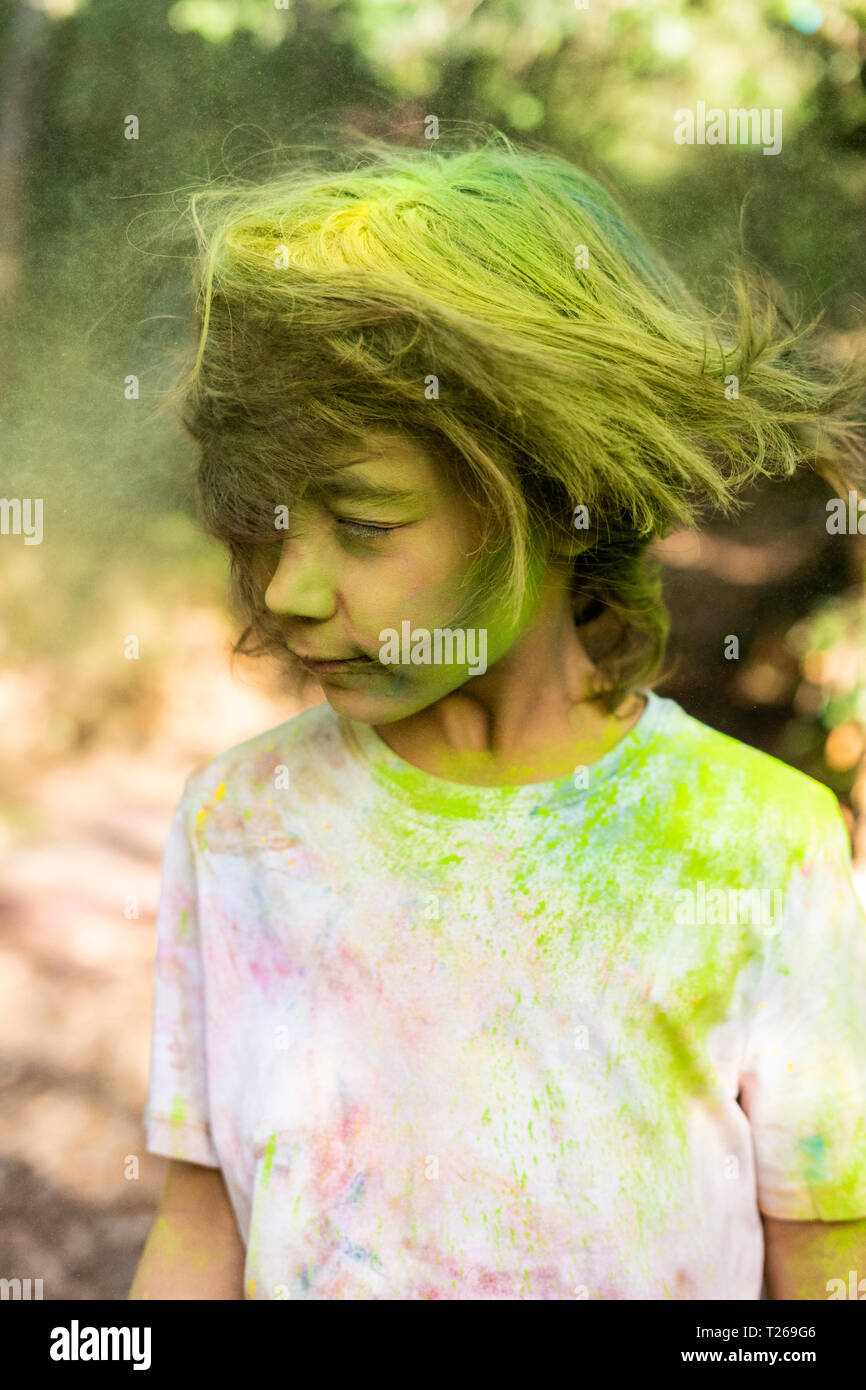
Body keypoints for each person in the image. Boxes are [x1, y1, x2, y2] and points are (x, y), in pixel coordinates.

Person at [129, 132, 866, 1300]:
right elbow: (201, 1223)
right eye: (264, 526)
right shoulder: (239, 823)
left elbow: (821, 1268)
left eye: (365, 524)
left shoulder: (759, 844)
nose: (286, 590)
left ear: (561, 498)